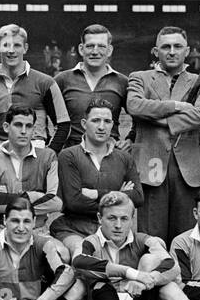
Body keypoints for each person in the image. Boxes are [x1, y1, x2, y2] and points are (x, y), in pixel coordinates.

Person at [126, 26, 200, 245]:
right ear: (156, 51)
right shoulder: (139, 77)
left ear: (187, 51)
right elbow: (134, 106)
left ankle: (184, 280)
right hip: (150, 166)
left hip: (187, 169)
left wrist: (156, 118)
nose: (172, 51)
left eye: (177, 46)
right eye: (166, 47)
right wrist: (176, 106)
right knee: (151, 240)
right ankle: (153, 278)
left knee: (185, 239)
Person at [52, 100, 143, 250]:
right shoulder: (68, 156)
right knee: (84, 250)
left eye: (107, 121)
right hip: (75, 227)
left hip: (115, 229)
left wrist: (96, 193)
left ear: (112, 125)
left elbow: (138, 197)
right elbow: (74, 202)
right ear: (83, 124)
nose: (102, 127)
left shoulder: (124, 158)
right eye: (95, 121)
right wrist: (120, 196)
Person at [0, 23, 71, 150]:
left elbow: (63, 124)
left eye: (17, 45)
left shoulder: (45, 82)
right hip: (0, 155)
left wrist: (48, 155)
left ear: (25, 48)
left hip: (35, 151)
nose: (11, 51)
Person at [0, 105, 61, 234]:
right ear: (6, 127)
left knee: (60, 252)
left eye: (28, 126)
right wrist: (33, 195)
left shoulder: (48, 156)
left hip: (37, 231)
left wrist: (8, 199)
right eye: (18, 125)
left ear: (34, 129)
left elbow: (55, 202)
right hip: (0, 231)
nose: (24, 131)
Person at [52, 24, 130, 147]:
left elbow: (139, 116)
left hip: (109, 153)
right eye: (90, 46)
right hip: (72, 155)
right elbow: (41, 111)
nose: (95, 51)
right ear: (81, 49)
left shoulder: (122, 82)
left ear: (109, 50)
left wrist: (130, 138)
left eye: (101, 46)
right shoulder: (62, 80)